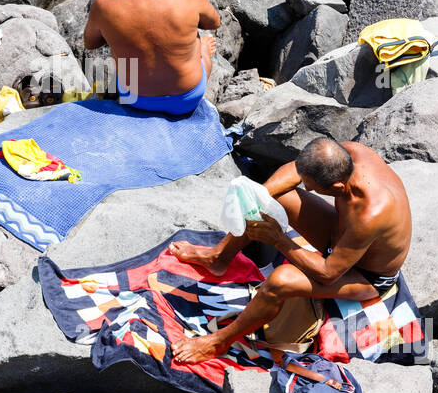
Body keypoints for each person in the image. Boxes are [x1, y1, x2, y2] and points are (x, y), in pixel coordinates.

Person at [168, 138, 412, 364]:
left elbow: (328, 274)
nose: (305, 187)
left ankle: (218, 342)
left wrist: (279, 240)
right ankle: (218, 258)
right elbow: (296, 170)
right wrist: (258, 196)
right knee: (272, 198)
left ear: (337, 186)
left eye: (312, 187)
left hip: (365, 276)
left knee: (280, 281)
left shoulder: (371, 213)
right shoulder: (351, 154)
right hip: (339, 237)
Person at [83, 0, 220, 114]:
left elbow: (90, 43)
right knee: (199, 39)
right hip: (187, 97)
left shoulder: (104, 4)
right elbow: (214, 23)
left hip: (135, 99)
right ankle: (204, 52)